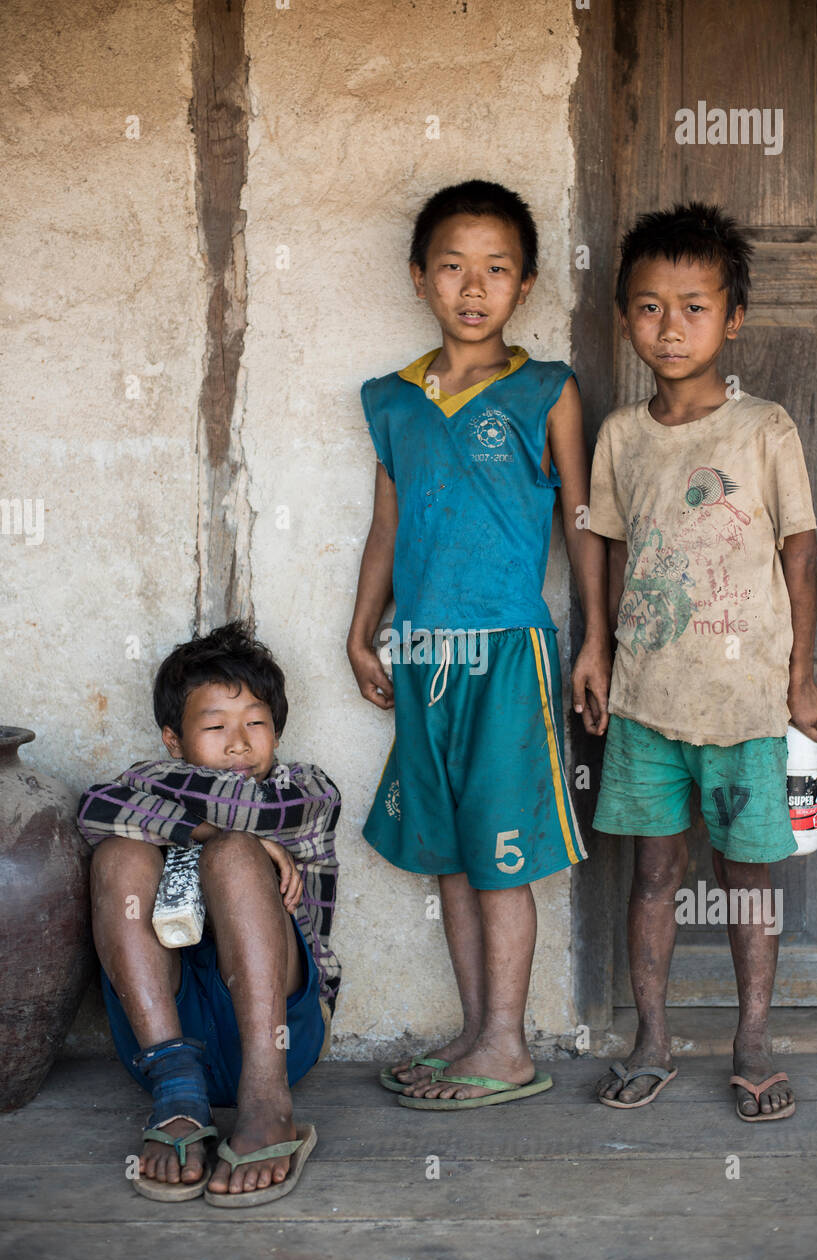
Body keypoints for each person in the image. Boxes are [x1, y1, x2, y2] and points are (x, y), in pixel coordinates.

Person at [347, 179, 610, 1110]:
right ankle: (475, 1031)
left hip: (508, 654)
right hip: (421, 656)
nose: (473, 285)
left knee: (500, 850)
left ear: (525, 285)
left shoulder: (546, 391)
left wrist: (593, 642)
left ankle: (509, 1043)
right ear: (419, 278)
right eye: (452, 266)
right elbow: (386, 525)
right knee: (455, 850)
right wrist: (361, 625)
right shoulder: (391, 400)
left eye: (495, 268)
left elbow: (581, 521)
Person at [589, 202, 817, 1120]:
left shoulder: (763, 428)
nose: (670, 325)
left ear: (731, 319)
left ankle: (751, 1039)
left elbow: (799, 549)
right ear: (623, 317)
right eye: (648, 307)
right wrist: (598, 656)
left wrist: (800, 677)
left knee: (745, 875)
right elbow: (608, 552)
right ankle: (651, 1039)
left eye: (693, 306)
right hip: (647, 698)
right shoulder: (620, 435)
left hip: (744, 703)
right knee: (653, 875)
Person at [77, 620, 340, 1201]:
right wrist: (199, 828)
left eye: (257, 724)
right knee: (120, 852)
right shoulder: (144, 782)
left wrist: (203, 832)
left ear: (278, 731)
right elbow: (94, 809)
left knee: (236, 853)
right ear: (173, 740)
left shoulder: (306, 790)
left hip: (279, 1036)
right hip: (162, 1034)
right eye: (216, 726)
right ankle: (178, 1093)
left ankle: (268, 1102)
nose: (240, 743)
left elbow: (256, 814)